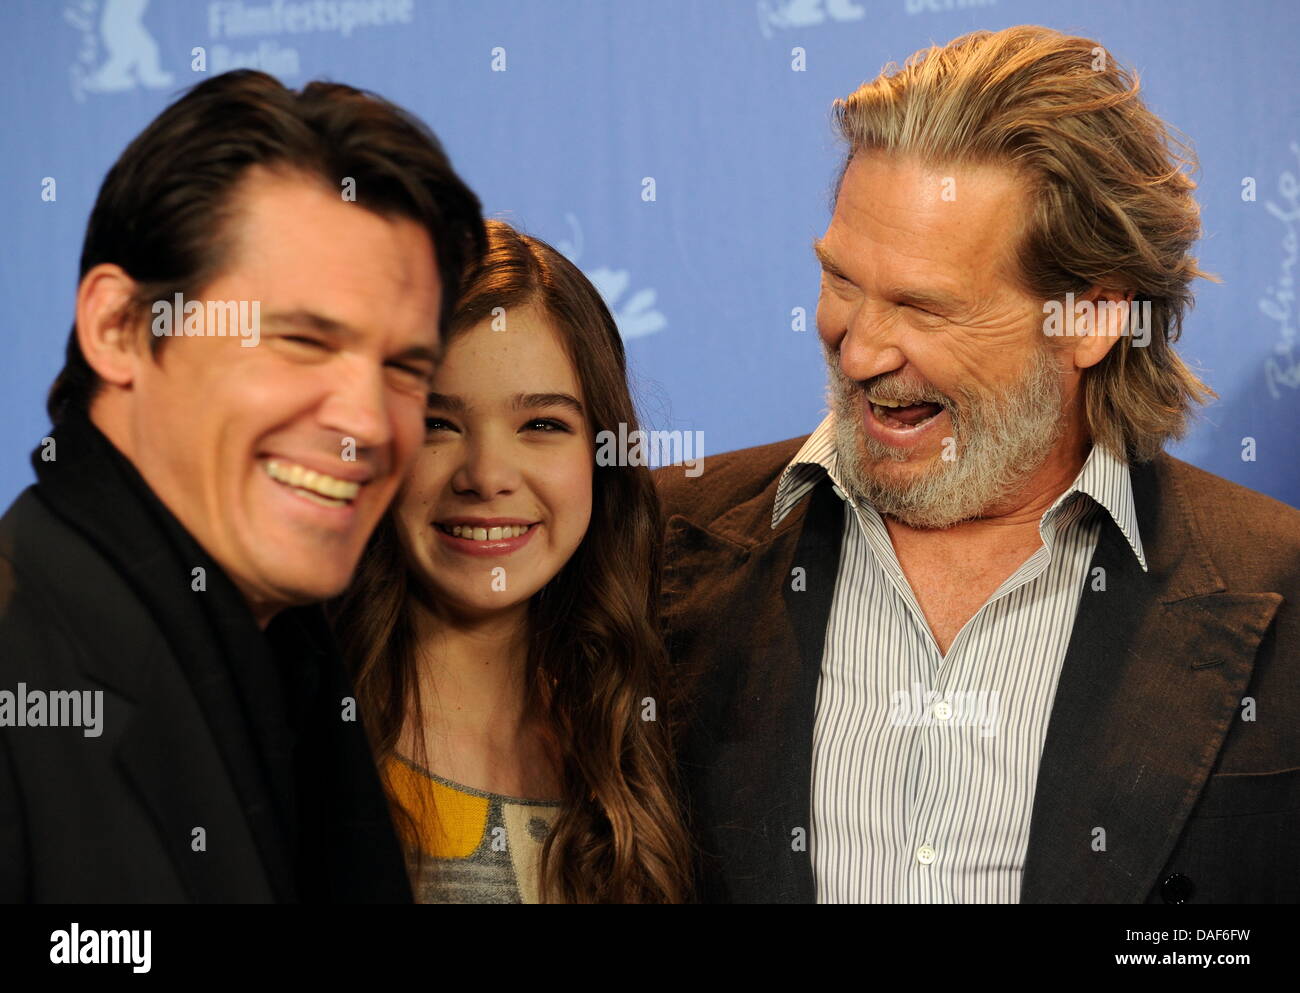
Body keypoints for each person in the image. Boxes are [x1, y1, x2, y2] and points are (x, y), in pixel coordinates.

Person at [655, 26, 1300, 903]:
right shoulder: (654, 544)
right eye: (843, 281)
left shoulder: (1281, 587)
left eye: (924, 306)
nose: (860, 351)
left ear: (1090, 318)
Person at [0, 70, 487, 902]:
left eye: (406, 368)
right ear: (119, 329)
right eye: (301, 340)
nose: (368, 422)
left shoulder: (288, 671)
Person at [331, 220, 692, 903]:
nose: (487, 474)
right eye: (436, 423)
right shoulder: (291, 728)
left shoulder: (638, 737)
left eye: (543, 425)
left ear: (600, 456)